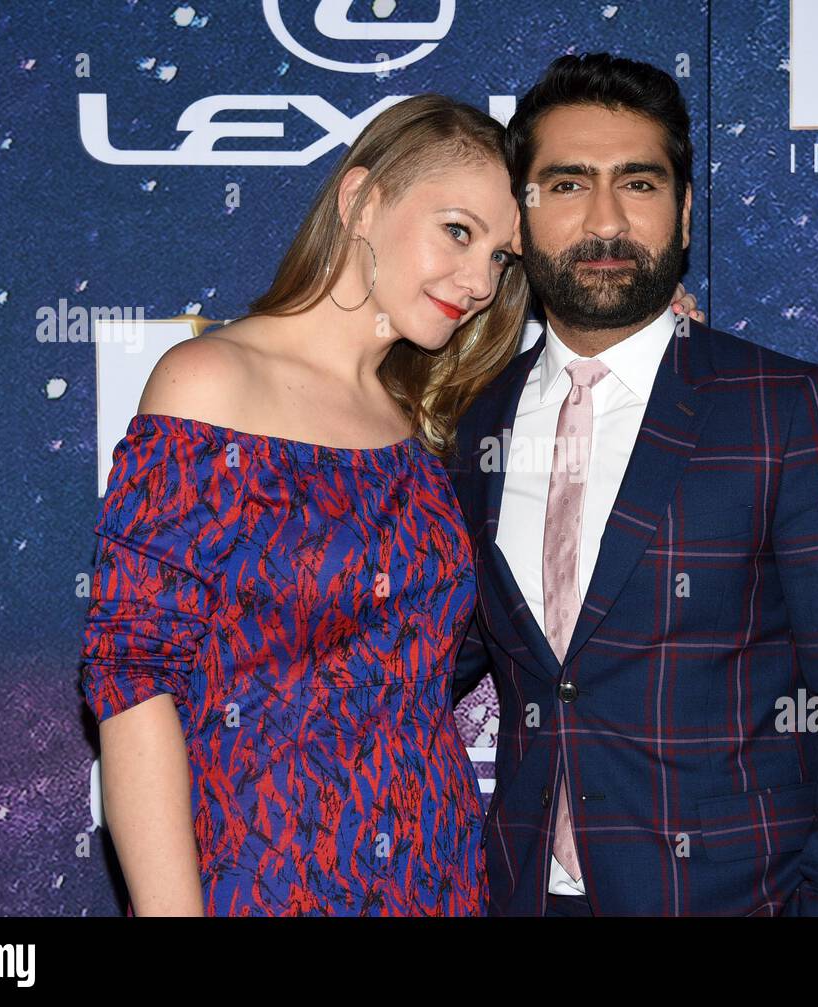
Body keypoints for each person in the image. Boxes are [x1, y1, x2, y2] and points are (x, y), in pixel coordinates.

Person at [78, 93, 702, 916]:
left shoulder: (426, 421)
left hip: (438, 877)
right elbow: (132, 680)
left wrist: (648, 342)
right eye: (456, 230)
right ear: (361, 201)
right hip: (265, 879)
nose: (479, 281)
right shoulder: (210, 383)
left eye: (502, 259)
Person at [447, 54, 818, 917]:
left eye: (638, 182)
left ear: (685, 209)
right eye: (565, 185)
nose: (604, 220)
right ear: (519, 216)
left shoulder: (784, 408)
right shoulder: (480, 423)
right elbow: (423, 660)